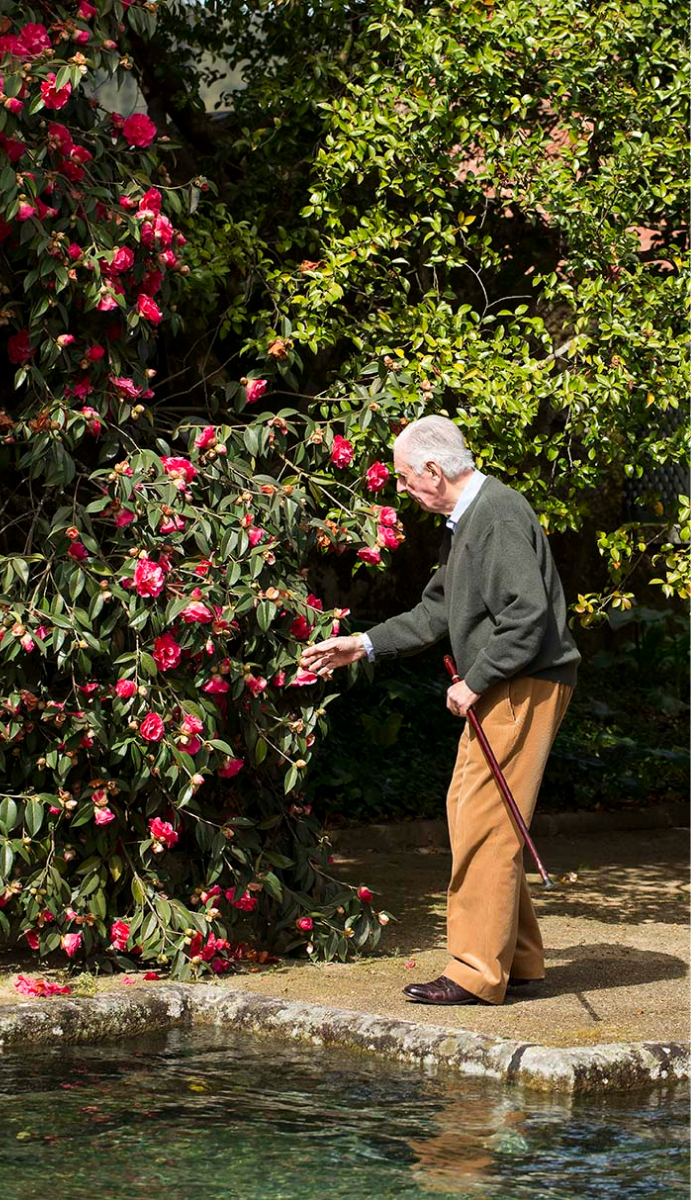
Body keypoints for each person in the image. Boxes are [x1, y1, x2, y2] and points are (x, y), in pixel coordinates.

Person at [300, 415, 581, 1006]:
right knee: (475, 813)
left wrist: (474, 680)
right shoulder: (466, 522)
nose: (401, 490)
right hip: (510, 678)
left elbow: (527, 616)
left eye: (404, 478)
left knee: (483, 820)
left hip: (523, 680)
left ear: (433, 470)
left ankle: (477, 972)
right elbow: (435, 613)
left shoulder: (497, 515)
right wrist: (361, 644)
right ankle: (519, 962)